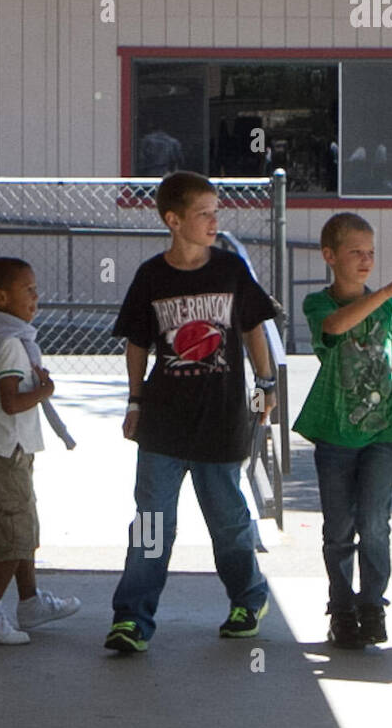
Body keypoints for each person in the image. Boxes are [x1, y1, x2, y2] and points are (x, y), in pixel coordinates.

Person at [104, 171, 280, 652]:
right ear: (173, 220)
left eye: (215, 211)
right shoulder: (151, 277)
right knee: (152, 522)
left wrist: (266, 385)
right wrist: (135, 400)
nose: (213, 220)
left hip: (222, 419)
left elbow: (253, 329)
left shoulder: (229, 269)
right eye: (203, 213)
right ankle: (133, 619)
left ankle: (248, 598)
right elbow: (137, 343)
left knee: (227, 518)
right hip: (163, 421)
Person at [292, 213, 392, 649]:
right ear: (330, 256)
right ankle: (341, 609)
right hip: (334, 435)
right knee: (338, 528)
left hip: (381, 434)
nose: (367, 261)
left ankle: (372, 605)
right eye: (356, 253)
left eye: (371, 253)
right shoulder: (319, 304)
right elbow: (334, 328)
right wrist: (390, 290)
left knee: (374, 522)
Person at [0, 257, 81, 644]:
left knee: (23, 531)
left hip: (14, 452)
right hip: (5, 453)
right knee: (14, 539)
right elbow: (10, 402)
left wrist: (37, 386)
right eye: (29, 290)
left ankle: (30, 602)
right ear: (1, 297)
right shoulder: (9, 344)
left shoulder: (7, 337)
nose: (36, 298)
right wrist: (44, 392)